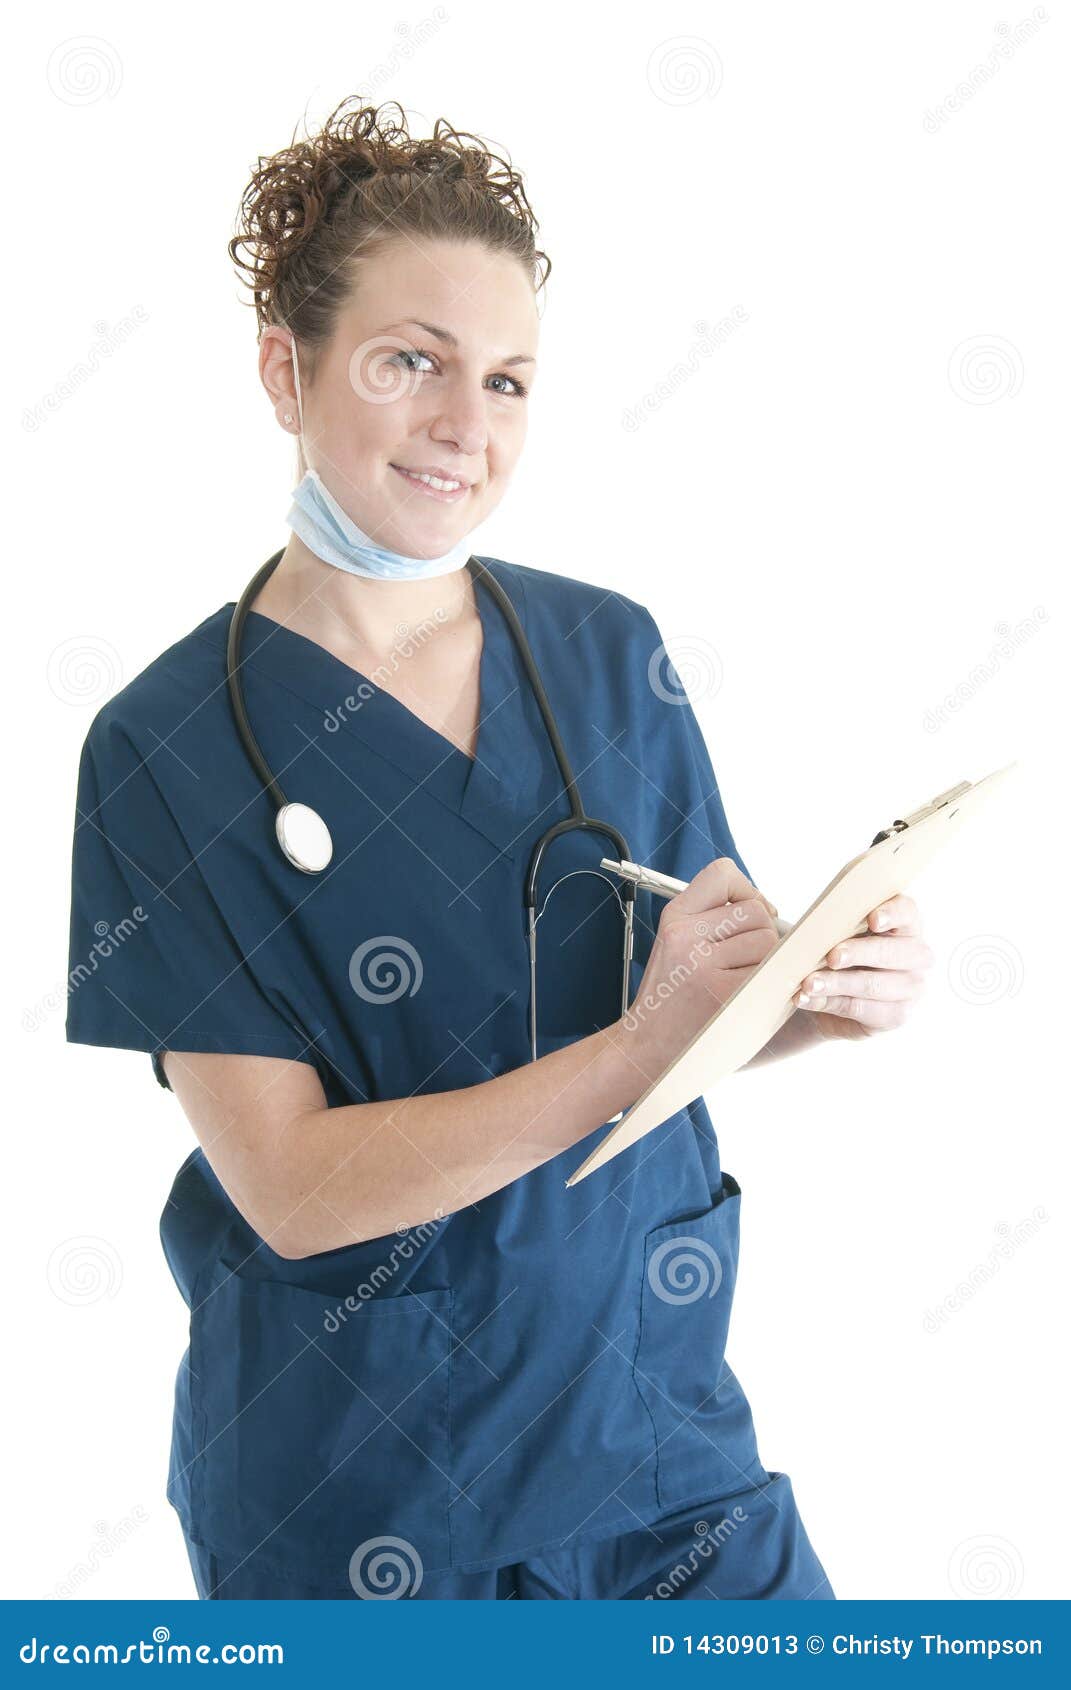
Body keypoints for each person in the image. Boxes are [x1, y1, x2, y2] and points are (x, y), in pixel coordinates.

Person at [65, 97, 933, 1601]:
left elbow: (688, 1016)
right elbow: (286, 1184)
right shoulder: (166, 748)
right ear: (287, 369)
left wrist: (817, 995)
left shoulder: (607, 656)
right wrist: (644, 1045)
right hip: (365, 1500)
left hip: (659, 1451)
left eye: (510, 379)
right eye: (411, 363)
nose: (468, 428)